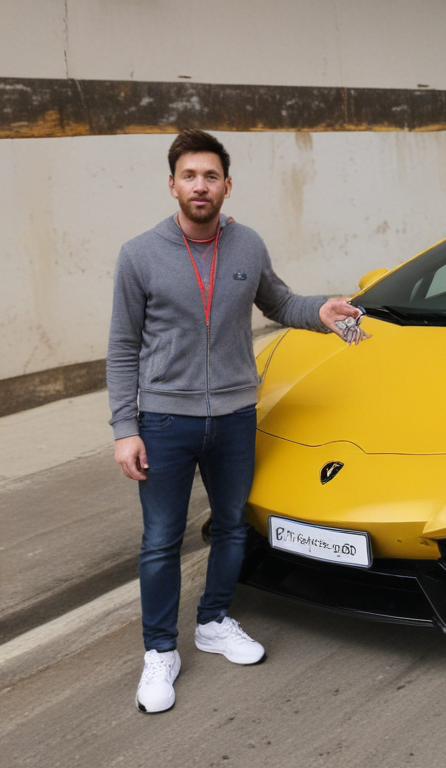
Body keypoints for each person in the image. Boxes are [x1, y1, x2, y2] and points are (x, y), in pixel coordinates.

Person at [107, 129, 360, 714]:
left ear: (226, 185)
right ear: (172, 185)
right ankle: (160, 651)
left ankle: (215, 620)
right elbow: (122, 348)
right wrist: (126, 428)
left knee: (230, 527)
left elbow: (279, 302)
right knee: (160, 541)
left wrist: (319, 311)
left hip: (234, 416)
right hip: (165, 421)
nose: (201, 185)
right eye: (189, 176)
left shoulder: (246, 245)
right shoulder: (139, 255)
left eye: (211, 176)